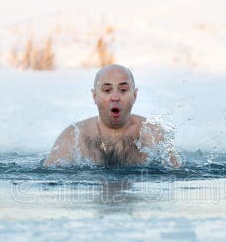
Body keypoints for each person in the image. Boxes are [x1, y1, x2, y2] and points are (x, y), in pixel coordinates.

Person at [44, 64, 180, 168]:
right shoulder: (74, 136)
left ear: (134, 95)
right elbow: (48, 178)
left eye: (123, 90)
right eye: (107, 90)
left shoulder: (153, 134)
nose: (115, 97)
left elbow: (176, 175)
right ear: (94, 96)